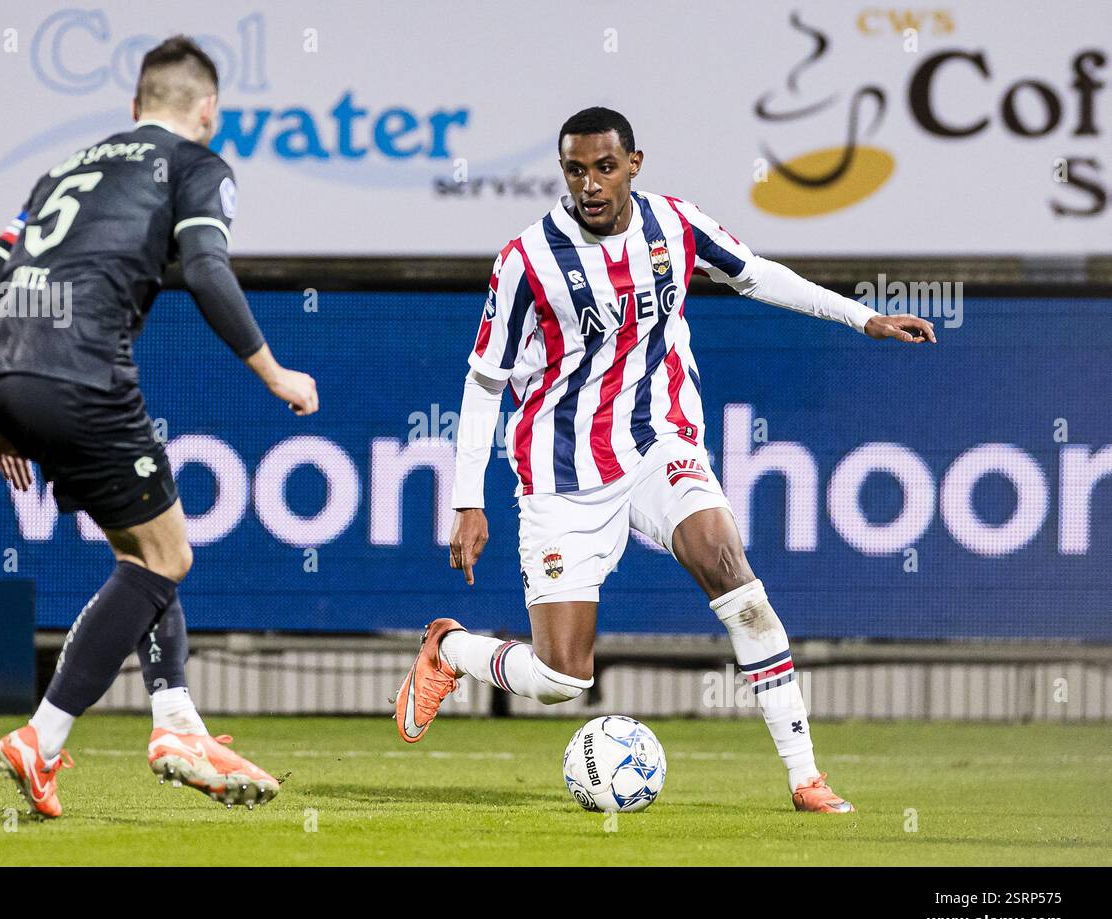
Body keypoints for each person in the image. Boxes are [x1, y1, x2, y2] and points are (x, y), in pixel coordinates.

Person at [395, 107, 937, 813]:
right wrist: (468, 499)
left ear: (634, 164)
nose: (590, 184)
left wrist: (860, 315)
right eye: (576, 170)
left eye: (605, 167)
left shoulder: (674, 226)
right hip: (563, 476)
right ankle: (451, 649)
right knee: (563, 678)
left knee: (731, 570)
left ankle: (805, 777)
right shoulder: (527, 261)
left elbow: (757, 274)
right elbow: (484, 381)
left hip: (660, 446)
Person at [0, 35, 318, 818]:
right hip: (84, 370)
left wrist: (3, 400)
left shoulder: (65, 169)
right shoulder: (195, 165)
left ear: (133, 108)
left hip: (8, 369)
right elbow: (206, 268)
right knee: (166, 555)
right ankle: (44, 738)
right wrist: (274, 371)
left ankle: (175, 720)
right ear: (209, 111)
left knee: (145, 547)